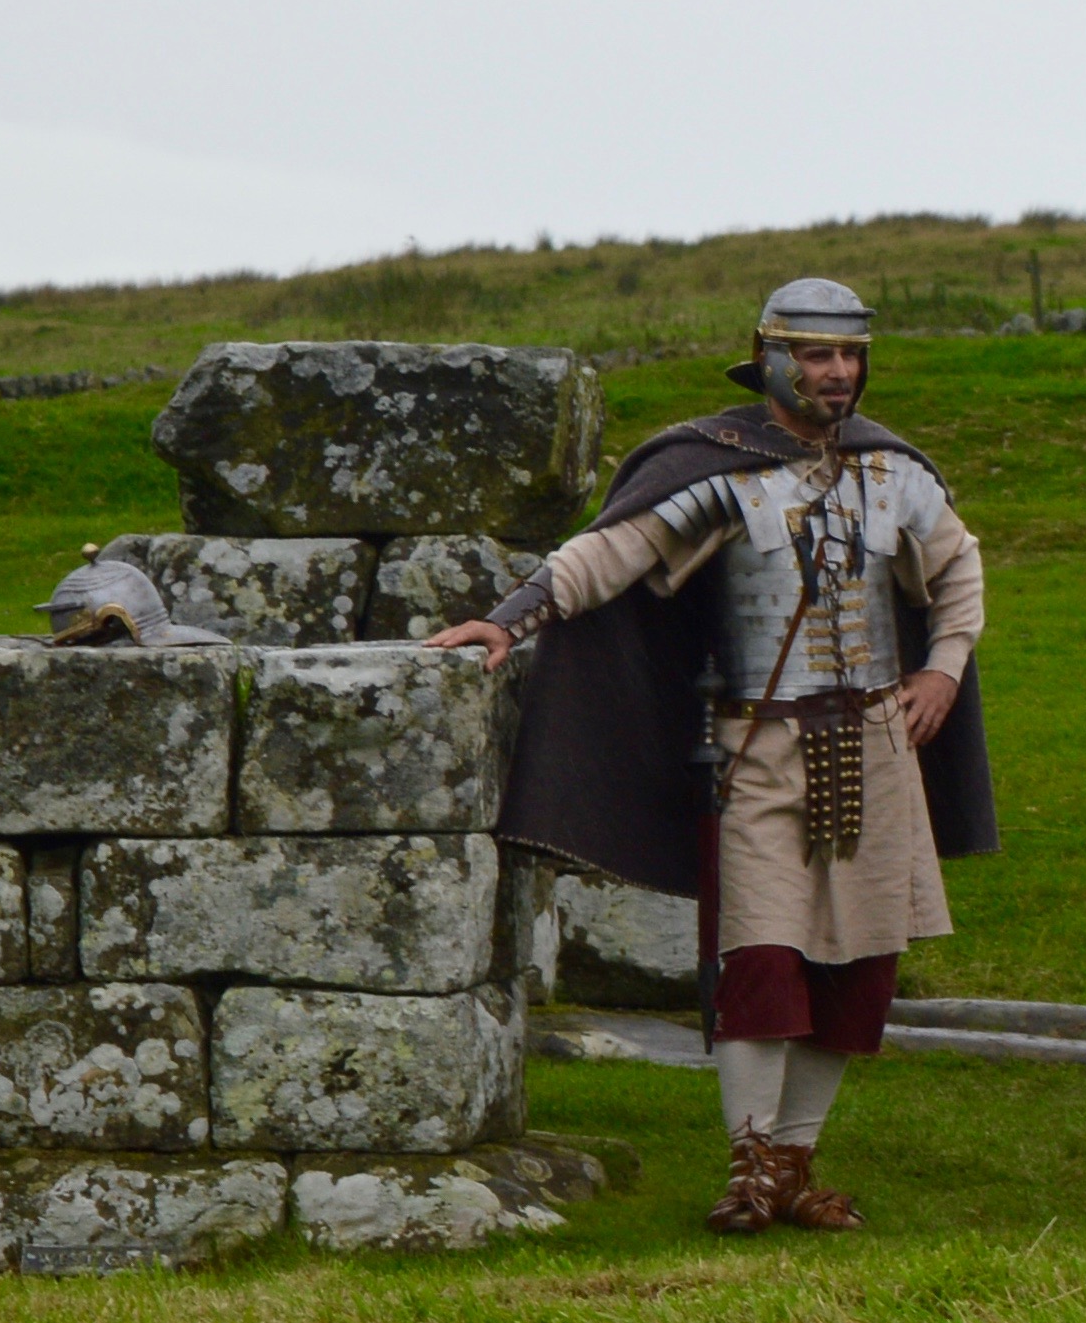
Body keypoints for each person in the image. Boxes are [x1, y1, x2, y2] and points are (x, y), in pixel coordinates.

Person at [426, 278, 996, 1234]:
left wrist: (942, 667)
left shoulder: (892, 471)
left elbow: (957, 565)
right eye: (817, 355)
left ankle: (789, 1166)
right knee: (761, 953)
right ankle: (747, 1160)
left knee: (859, 965)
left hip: (876, 743)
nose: (837, 373)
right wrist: (508, 616)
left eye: (849, 355)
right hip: (758, 744)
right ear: (771, 357)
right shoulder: (723, 470)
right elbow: (607, 553)